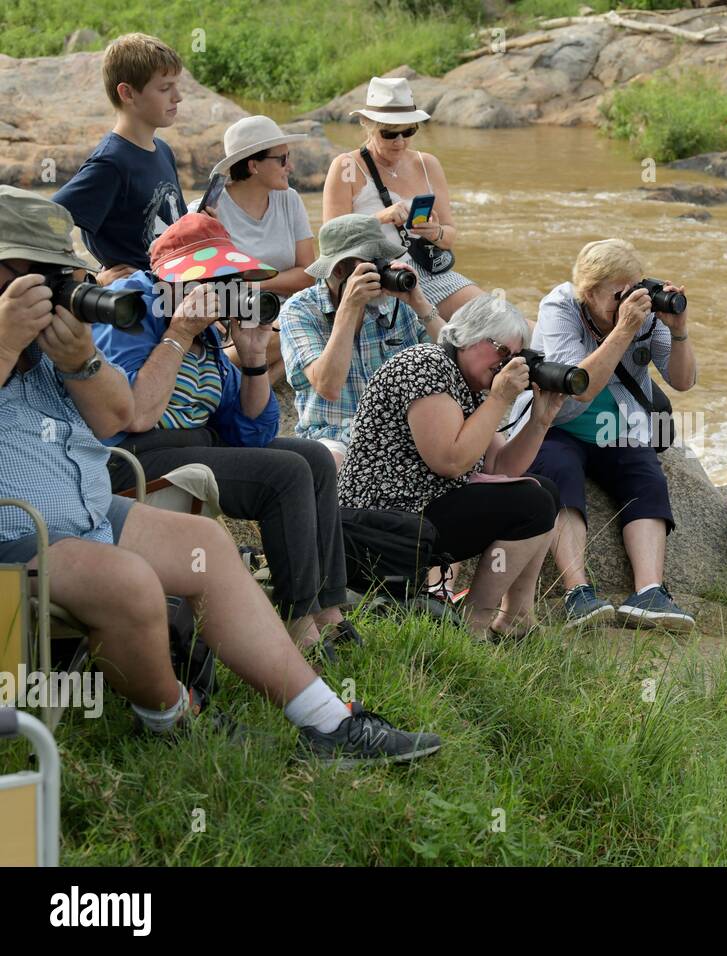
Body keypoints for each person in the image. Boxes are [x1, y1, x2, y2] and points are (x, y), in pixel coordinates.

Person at [0, 186, 440, 764]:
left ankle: (329, 721)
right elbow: (136, 422)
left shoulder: (62, 339)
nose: (57, 292)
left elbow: (115, 413)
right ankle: (172, 714)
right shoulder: (99, 320)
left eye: (61, 276)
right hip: (19, 529)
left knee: (209, 542)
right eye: (42, 276)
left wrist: (81, 356)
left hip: (84, 506)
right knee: (129, 581)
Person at [94, 213, 357, 658]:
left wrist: (253, 358)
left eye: (229, 279)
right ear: (172, 280)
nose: (224, 290)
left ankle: (327, 609)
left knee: (311, 458)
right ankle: (297, 623)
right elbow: (135, 415)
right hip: (132, 456)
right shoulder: (132, 308)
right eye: (213, 279)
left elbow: (250, 431)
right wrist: (178, 332)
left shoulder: (210, 337)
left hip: (196, 445)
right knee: (285, 474)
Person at [337, 295, 566, 640]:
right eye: (502, 352)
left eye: (515, 357)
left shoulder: (469, 384)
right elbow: (449, 461)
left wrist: (540, 421)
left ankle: (515, 616)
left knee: (542, 490)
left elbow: (503, 468)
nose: (506, 365)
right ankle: (473, 626)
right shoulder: (425, 365)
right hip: (379, 525)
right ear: (469, 337)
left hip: (414, 514)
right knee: (531, 504)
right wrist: (499, 399)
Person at [509, 239, 698, 631]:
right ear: (588, 292)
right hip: (558, 422)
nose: (629, 300)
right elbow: (579, 387)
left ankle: (649, 592)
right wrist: (624, 330)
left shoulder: (643, 313)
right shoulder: (559, 308)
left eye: (633, 288)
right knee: (559, 474)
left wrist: (678, 332)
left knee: (645, 476)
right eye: (617, 294)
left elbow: (683, 381)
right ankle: (578, 592)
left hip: (619, 424)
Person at [279, 214, 443, 466]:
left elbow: (453, 363)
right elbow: (328, 386)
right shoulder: (300, 310)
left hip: (401, 431)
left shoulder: (396, 302)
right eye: (372, 262)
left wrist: (420, 303)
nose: (383, 268)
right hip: (333, 435)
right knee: (328, 462)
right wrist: (349, 308)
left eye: (384, 259)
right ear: (340, 269)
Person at [322, 76, 483, 322]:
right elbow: (331, 241)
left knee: (499, 318)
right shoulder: (346, 166)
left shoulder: (428, 164)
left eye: (408, 131)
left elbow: (449, 237)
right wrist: (381, 218)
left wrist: (433, 232)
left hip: (428, 270)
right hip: (374, 276)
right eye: (389, 134)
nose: (400, 142)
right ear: (367, 124)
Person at [189, 114, 320, 384]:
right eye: (282, 159)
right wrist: (211, 235)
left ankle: (245, 385)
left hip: (283, 309)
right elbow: (201, 287)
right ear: (253, 165)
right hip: (237, 317)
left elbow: (308, 274)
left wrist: (255, 285)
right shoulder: (205, 212)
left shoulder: (289, 199)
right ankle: (243, 380)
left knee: (314, 318)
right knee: (309, 327)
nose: (291, 166)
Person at [52, 33, 186, 286]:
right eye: (165, 88)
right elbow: (44, 223)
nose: (177, 96)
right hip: (135, 308)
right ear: (127, 93)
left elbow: (172, 224)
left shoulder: (163, 150)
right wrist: (91, 283)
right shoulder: (111, 163)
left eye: (176, 86)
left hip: (174, 297)